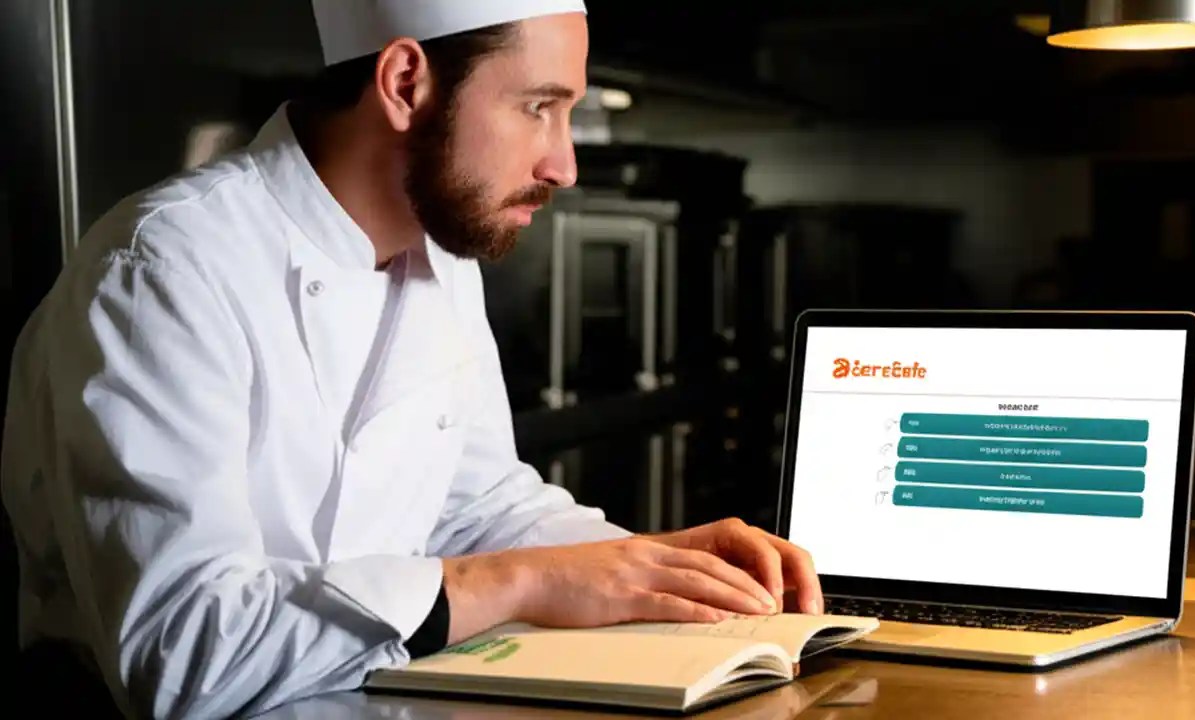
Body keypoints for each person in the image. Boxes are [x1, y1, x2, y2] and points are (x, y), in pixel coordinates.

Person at [0, 2, 823, 717]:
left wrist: (660, 567)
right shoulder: (165, 267)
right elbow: (180, 656)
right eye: (538, 107)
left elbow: (480, 506)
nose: (564, 165)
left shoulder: (440, 258)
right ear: (403, 84)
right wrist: (520, 582)